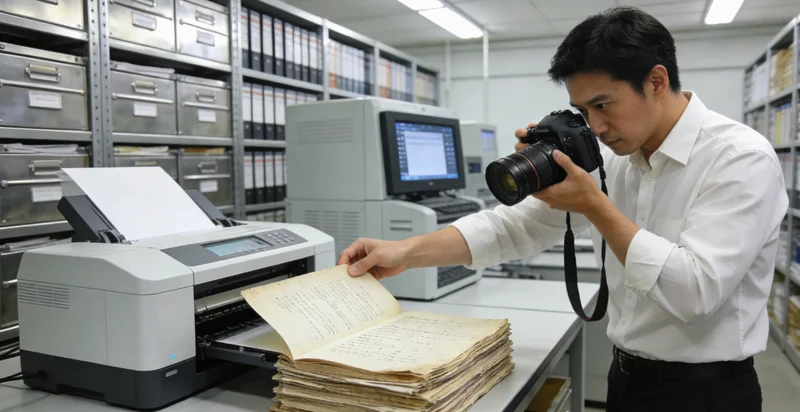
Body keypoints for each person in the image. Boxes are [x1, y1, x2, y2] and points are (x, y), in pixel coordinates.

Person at [338, 6, 787, 412]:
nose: (596, 126)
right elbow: (512, 228)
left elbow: (696, 291)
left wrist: (593, 204)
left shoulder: (740, 158)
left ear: (656, 81)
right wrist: (406, 251)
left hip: (707, 394)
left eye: (603, 105)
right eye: (582, 110)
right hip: (627, 379)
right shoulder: (615, 155)